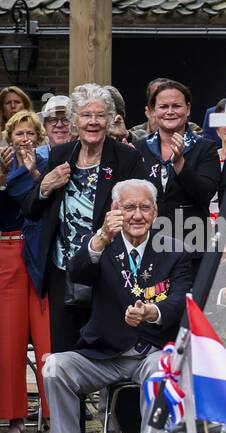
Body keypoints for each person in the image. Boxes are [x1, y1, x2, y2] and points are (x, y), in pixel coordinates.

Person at [39, 179, 192, 433]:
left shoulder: (175, 251)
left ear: (156, 212)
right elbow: (78, 272)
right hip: (104, 352)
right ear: (114, 210)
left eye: (144, 207)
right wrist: (100, 238)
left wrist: (152, 312)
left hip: (151, 349)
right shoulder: (102, 244)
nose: (137, 215)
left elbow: (179, 302)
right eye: (129, 207)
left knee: (164, 369)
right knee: (55, 367)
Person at [23, 83, 148, 358]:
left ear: (110, 119)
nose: (93, 122)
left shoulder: (127, 157)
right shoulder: (59, 155)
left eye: (100, 115)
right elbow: (30, 210)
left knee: (113, 356)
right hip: (62, 272)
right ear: (73, 121)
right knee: (65, 358)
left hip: (109, 273)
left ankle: (108, 403)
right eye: (85, 115)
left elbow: (145, 210)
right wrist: (46, 185)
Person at [0, 110, 50, 433]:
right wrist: (3, 176)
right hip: (7, 252)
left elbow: (48, 202)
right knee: (9, 341)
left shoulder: (45, 167)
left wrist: (33, 171)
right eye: (19, 134)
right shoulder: (2, 169)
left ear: (40, 137)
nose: (26, 139)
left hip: (41, 254)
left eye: (31, 133)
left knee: (47, 341)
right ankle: (14, 418)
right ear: (9, 139)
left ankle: (54, 416)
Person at [132, 80, 221, 260]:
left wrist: (179, 163)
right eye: (163, 106)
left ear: (187, 109)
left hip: (192, 246)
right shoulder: (140, 148)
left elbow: (204, 194)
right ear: (153, 111)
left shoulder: (205, 148)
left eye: (176, 106)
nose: (170, 111)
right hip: (148, 247)